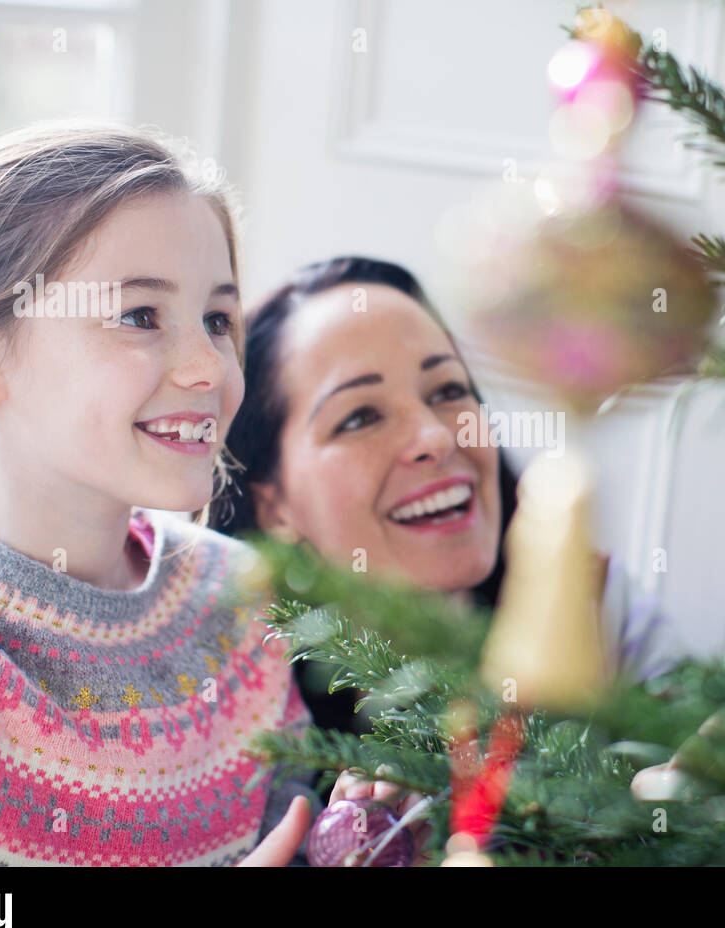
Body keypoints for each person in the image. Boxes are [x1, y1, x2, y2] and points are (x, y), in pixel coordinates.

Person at [0, 121, 315, 866]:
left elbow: (287, 842)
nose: (210, 368)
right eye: (140, 316)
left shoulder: (240, 594)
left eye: (217, 320)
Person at [213, 257, 672, 736]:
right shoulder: (238, 715)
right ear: (274, 506)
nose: (435, 437)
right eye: (360, 417)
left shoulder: (600, 607)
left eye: (449, 390)